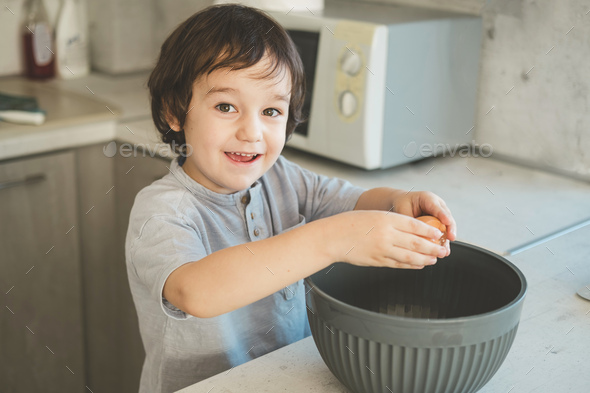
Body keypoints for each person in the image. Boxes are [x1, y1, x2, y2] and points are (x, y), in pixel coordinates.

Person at [125, 4, 457, 393]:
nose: (252, 131)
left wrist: (401, 199)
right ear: (173, 112)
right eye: (226, 106)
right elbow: (196, 291)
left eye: (270, 110)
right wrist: (331, 239)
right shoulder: (162, 211)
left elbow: (356, 201)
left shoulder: (282, 178)